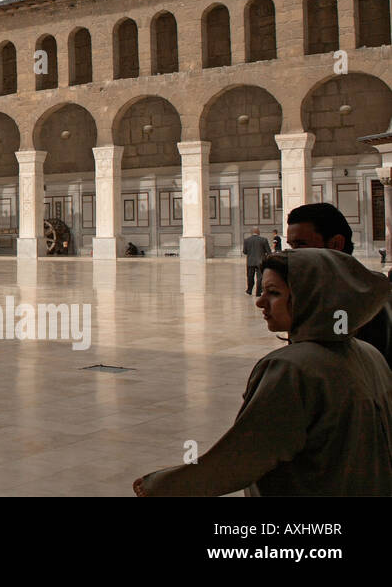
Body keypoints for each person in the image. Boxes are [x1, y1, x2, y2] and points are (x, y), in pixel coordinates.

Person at [134, 249, 392, 496]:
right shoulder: (370, 355)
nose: (260, 302)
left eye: (274, 293)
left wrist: (160, 486)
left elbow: (243, 456)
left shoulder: (293, 367)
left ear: (311, 295)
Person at [286, 202, 392, 369]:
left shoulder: (350, 302)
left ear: (335, 244)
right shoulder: (336, 292)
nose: (292, 255)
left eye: (301, 245)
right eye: (291, 246)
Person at [242, 227, 271, 296]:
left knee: (250, 276)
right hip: (261, 261)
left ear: (251, 232)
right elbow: (268, 252)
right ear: (258, 232)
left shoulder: (246, 240)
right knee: (260, 277)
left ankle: (249, 290)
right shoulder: (264, 240)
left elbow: (245, 251)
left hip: (250, 261)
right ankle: (258, 291)